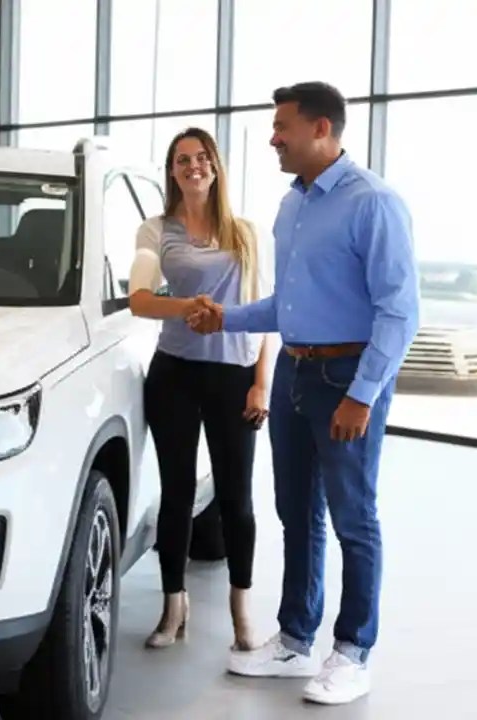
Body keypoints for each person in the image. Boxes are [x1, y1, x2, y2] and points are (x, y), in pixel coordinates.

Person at [186, 81, 419, 705]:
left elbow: (399, 313)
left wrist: (362, 395)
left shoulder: (374, 203)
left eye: (282, 127)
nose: (273, 138)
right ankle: (295, 639)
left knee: (353, 518)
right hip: (294, 371)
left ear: (321, 128)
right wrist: (226, 318)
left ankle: (353, 652)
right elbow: (287, 305)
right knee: (297, 513)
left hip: (348, 378)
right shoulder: (293, 205)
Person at [127, 127, 273, 654]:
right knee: (177, 495)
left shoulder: (246, 233)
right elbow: (140, 299)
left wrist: (261, 385)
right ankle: (173, 606)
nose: (194, 166)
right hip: (176, 376)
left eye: (202, 157)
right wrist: (186, 307)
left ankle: (241, 611)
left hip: (234, 376)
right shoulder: (155, 230)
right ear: (172, 170)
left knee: (237, 498)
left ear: (216, 166)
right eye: (183, 159)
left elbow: (263, 313)